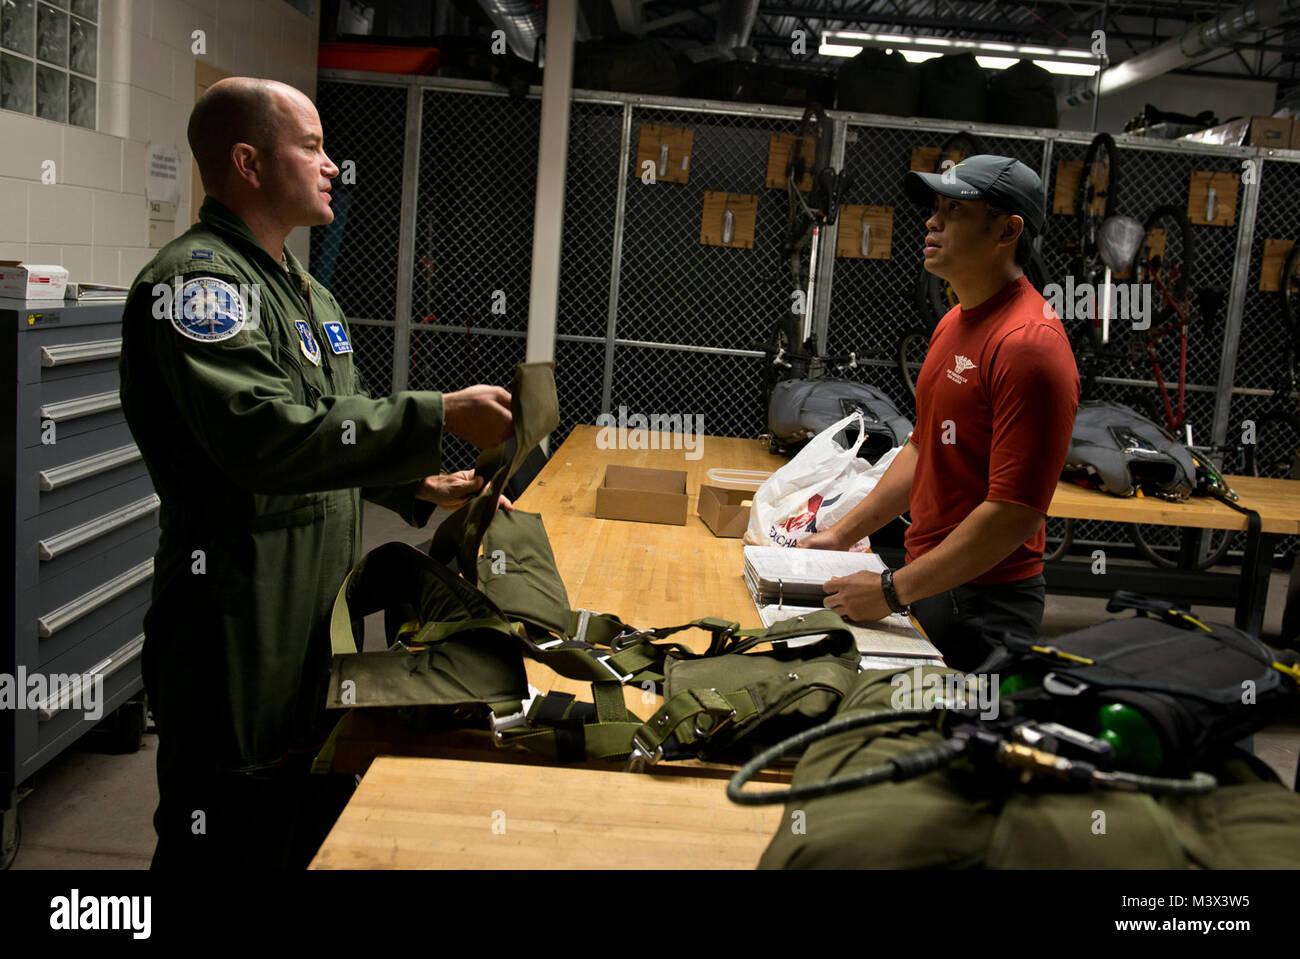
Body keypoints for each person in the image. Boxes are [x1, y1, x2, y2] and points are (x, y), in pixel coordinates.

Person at [119, 77, 514, 868]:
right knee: (226, 822)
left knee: (298, 811)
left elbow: (328, 430)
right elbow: (263, 438)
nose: (333, 165)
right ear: (248, 162)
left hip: (313, 613)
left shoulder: (309, 295)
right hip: (238, 620)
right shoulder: (201, 287)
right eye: (311, 146)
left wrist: (411, 485)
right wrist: (434, 413)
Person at [800, 155, 1079, 670]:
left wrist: (889, 591)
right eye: (935, 208)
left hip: (983, 605)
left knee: (947, 743)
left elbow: (1014, 515)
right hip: (927, 579)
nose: (933, 222)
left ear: (1008, 230)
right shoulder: (954, 321)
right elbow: (923, 445)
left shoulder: (1028, 346)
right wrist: (841, 534)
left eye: (956, 210)